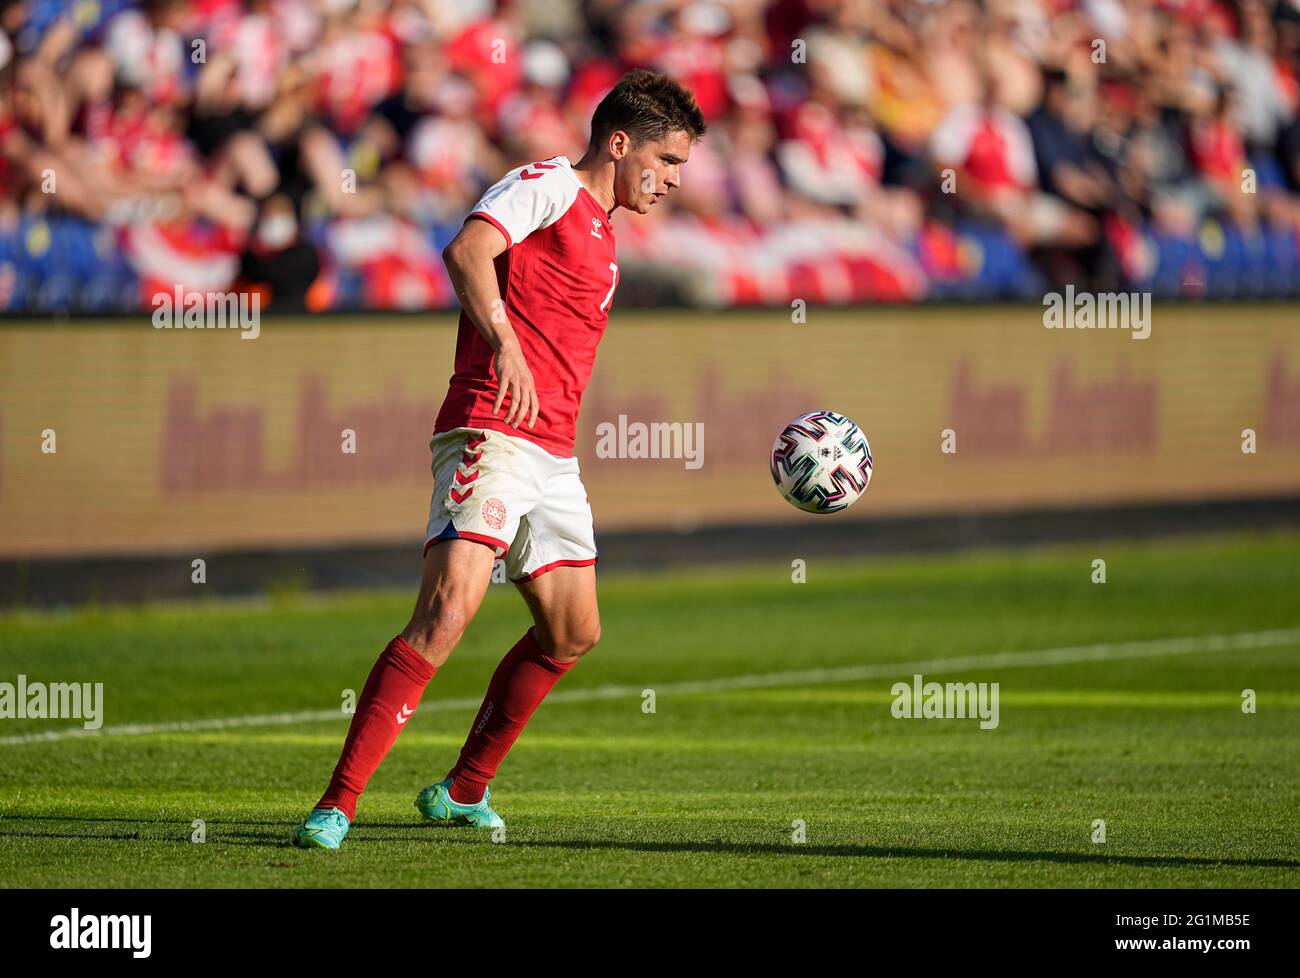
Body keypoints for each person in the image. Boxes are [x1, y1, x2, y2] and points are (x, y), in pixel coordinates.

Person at [292, 69, 707, 848]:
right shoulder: (545, 185)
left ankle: (461, 788)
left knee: (573, 632)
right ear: (620, 145)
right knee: (447, 612)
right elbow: (468, 250)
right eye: (668, 161)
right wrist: (506, 344)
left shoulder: (604, 231)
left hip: (551, 453)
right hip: (490, 427)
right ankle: (337, 803)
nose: (674, 180)